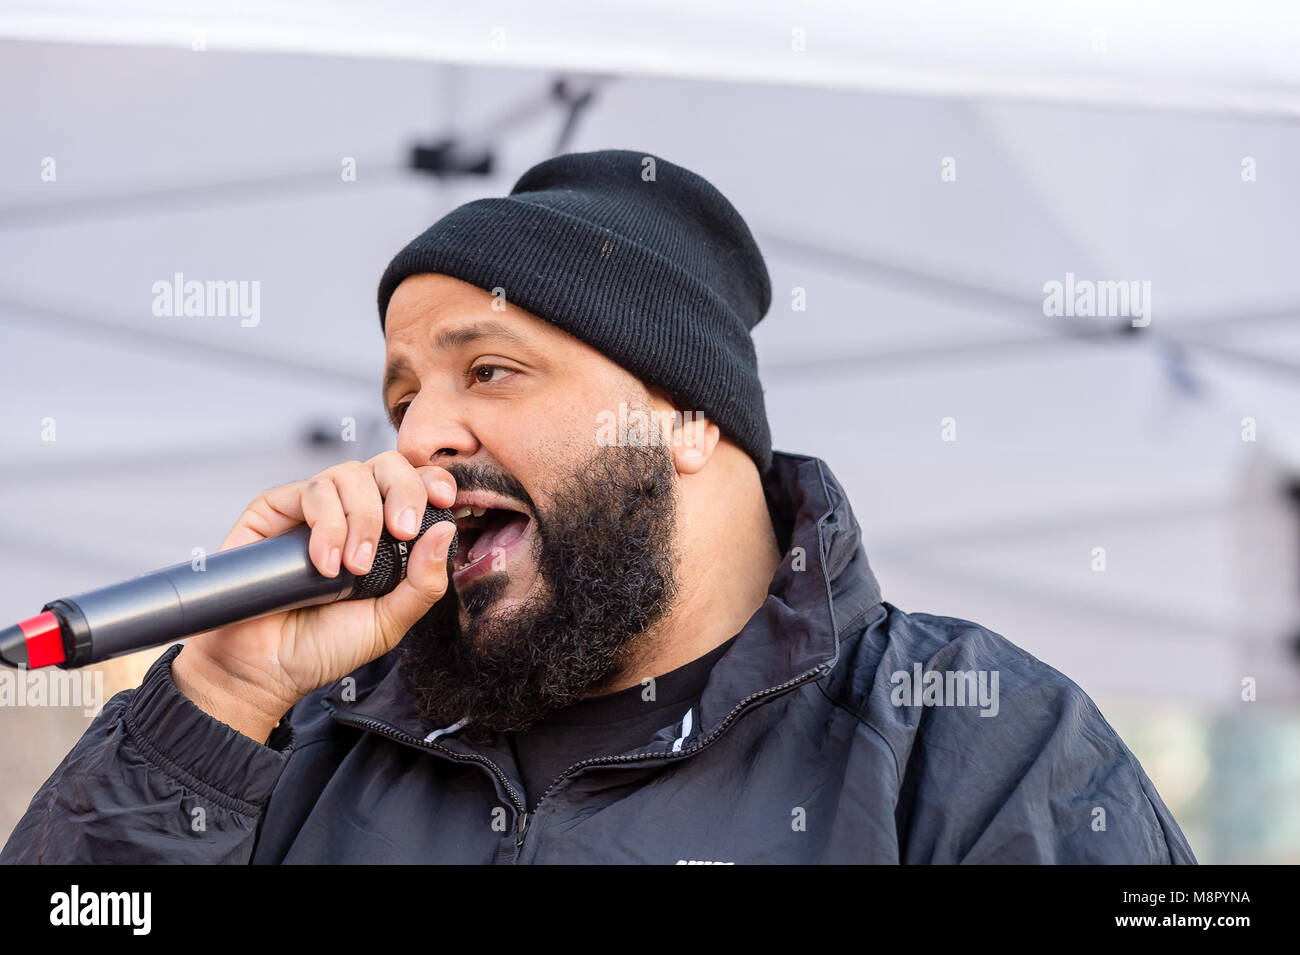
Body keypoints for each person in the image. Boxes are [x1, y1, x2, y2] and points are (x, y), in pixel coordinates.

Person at [1, 149, 1195, 864]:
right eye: (402, 393)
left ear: (687, 418)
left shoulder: (973, 742)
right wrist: (216, 702)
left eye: (491, 371)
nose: (420, 437)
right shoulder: (305, 740)